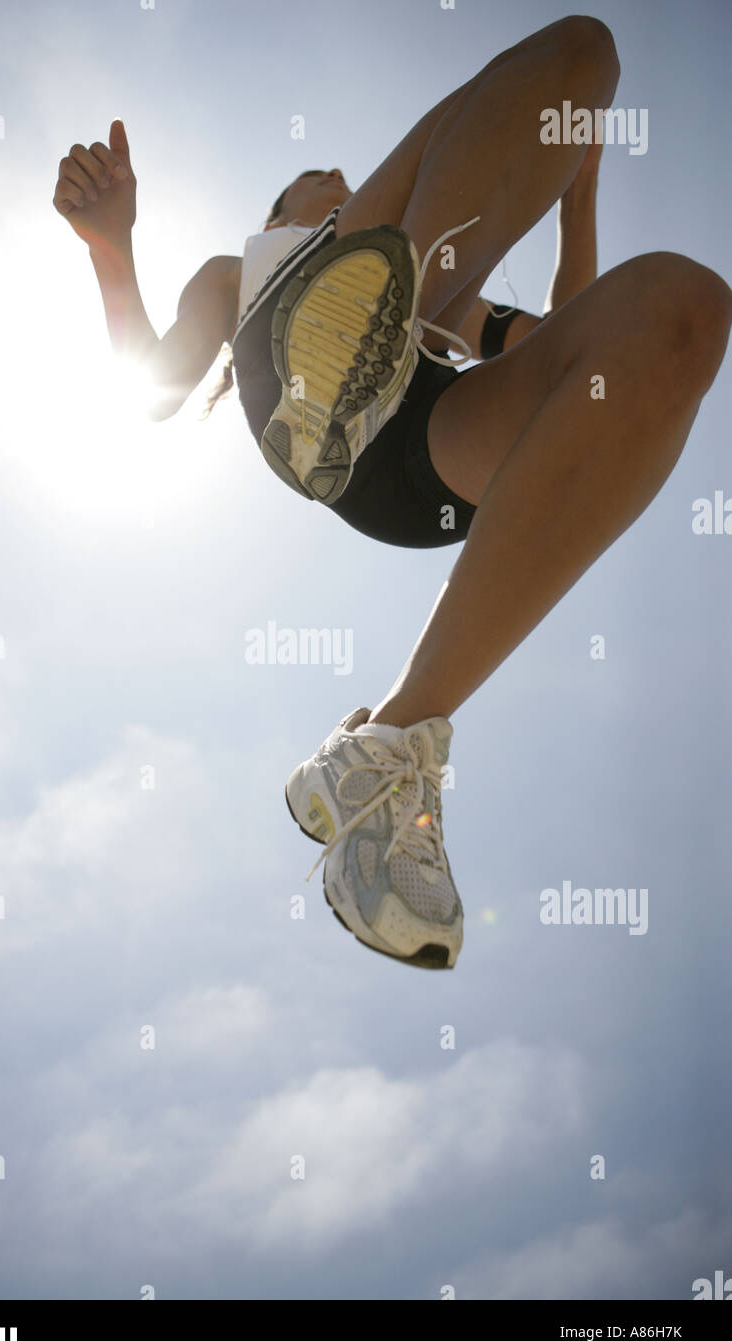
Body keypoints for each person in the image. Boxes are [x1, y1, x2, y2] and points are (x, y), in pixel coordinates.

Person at [52, 15, 731, 971]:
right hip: (313, 414)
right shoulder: (234, 271)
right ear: (281, 209)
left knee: (674, 301)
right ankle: (342, 345)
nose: (334, 179)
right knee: (535, 101)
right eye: (314, 183)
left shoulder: (452, 283)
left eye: (342, 178)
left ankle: (384, 750)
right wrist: (112, 249)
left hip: (430, 454)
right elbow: (157, 392)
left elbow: (573, 355)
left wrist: (577, 191)